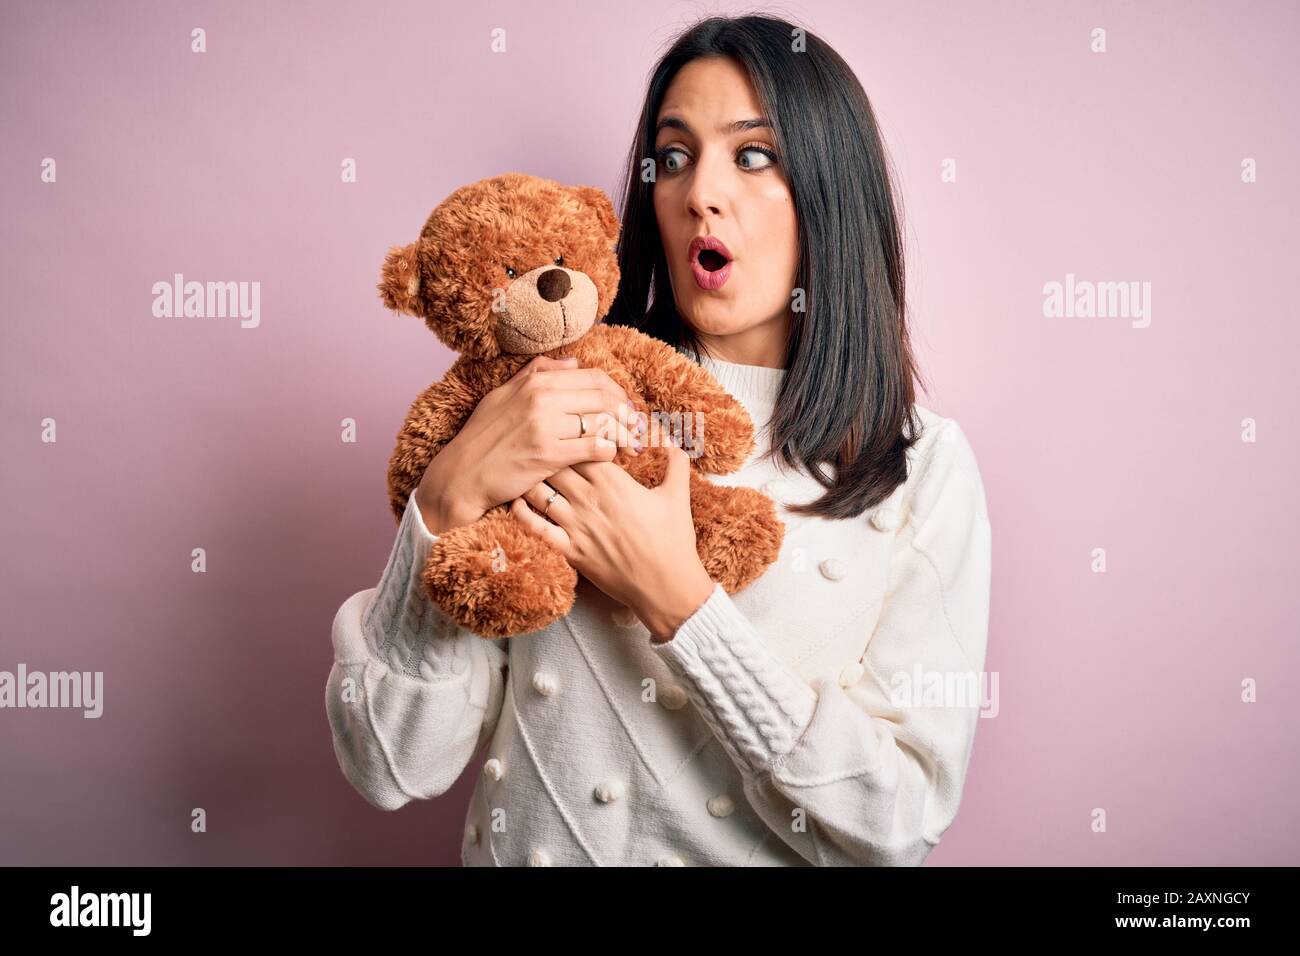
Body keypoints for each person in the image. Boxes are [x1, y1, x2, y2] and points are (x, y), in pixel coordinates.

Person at [325, 13, 992, 866]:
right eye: (672, 157)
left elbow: (898, 822)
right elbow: (389, 766)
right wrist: (445, 500)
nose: (697, 192)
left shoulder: (921, 470)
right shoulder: (554, 402)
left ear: (832, 189)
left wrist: (679, 600)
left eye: (754, 155)